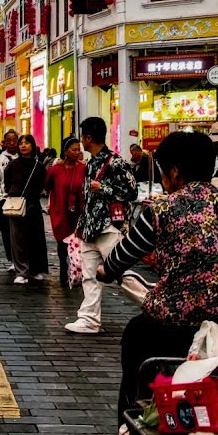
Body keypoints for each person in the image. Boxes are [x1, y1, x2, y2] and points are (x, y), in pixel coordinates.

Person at [101, 131, 218, 421]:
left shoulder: (161, 210)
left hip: (181, 329)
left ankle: (132, 423)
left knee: (135, 335)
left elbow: (117, 259)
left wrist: (104, 271)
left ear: (175, 171)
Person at [64, 117, 138, 335]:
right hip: (90, 228)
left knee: (120, 272)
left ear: (88, 138)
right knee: (89, 276)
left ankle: (152, 304)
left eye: (83, 138)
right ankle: (88, 319)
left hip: (108, 228)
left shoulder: (116, 162)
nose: (81, 145)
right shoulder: (90, 163)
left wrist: (103, 188)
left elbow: (132, 193)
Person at [4, 135, 49, 284]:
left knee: (35, 237)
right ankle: (21, 271)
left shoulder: (39, 166)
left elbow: (43, 185)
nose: (23, 145)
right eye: (21, 143)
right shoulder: (12, 165)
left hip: (33, 205)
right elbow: (7, 182)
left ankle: (37, 269)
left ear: (33, 145)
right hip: (16, 204)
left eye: (27, 143)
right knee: (17, 239)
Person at [45, 138, 87, 287]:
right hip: (61, 211)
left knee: (78, 242)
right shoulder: (55, 170)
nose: (77, 153)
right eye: (73, 150)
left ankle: (78, 271)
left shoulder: (84, 168)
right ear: (65, 151)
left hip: (78, 211)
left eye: (78, 150)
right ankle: (64, 270)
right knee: (62, 243)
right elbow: (47, 186)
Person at [0, 130, 20, 271]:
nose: (13, 143)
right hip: (5, 200)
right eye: (9, 140)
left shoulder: (24, 158)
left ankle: (21, 259)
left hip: (21, 200)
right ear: (4, 142)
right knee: (6, 231)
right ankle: (12, 259)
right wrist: (0, 198)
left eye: (15, 140)